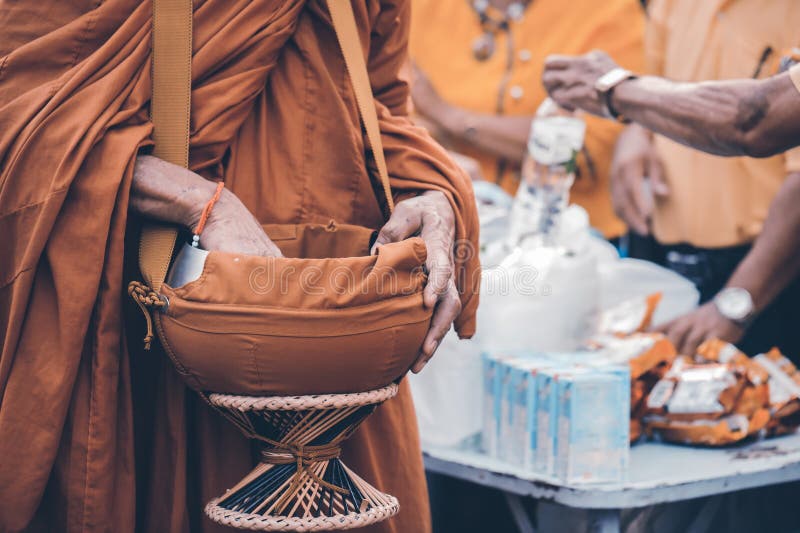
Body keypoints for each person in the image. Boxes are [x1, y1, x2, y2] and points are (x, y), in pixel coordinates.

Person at [0, 2, 480, 532]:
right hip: (153, 334)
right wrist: (201, 203)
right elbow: (23, 121)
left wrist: (435, 197)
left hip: (346, 355)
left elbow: (377, 105)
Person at [543, 0, 800, 364]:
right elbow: (658, 85)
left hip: (765, 281)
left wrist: (738, 302)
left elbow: (755, 120)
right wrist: (635, 133)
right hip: (668, 266)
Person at [408, 0, 645, 243]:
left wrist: (450, 117)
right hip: (436, 226)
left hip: (564, 247)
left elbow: (589, 145)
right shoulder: (416, 7)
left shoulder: (607, 9)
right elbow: (393, 113)